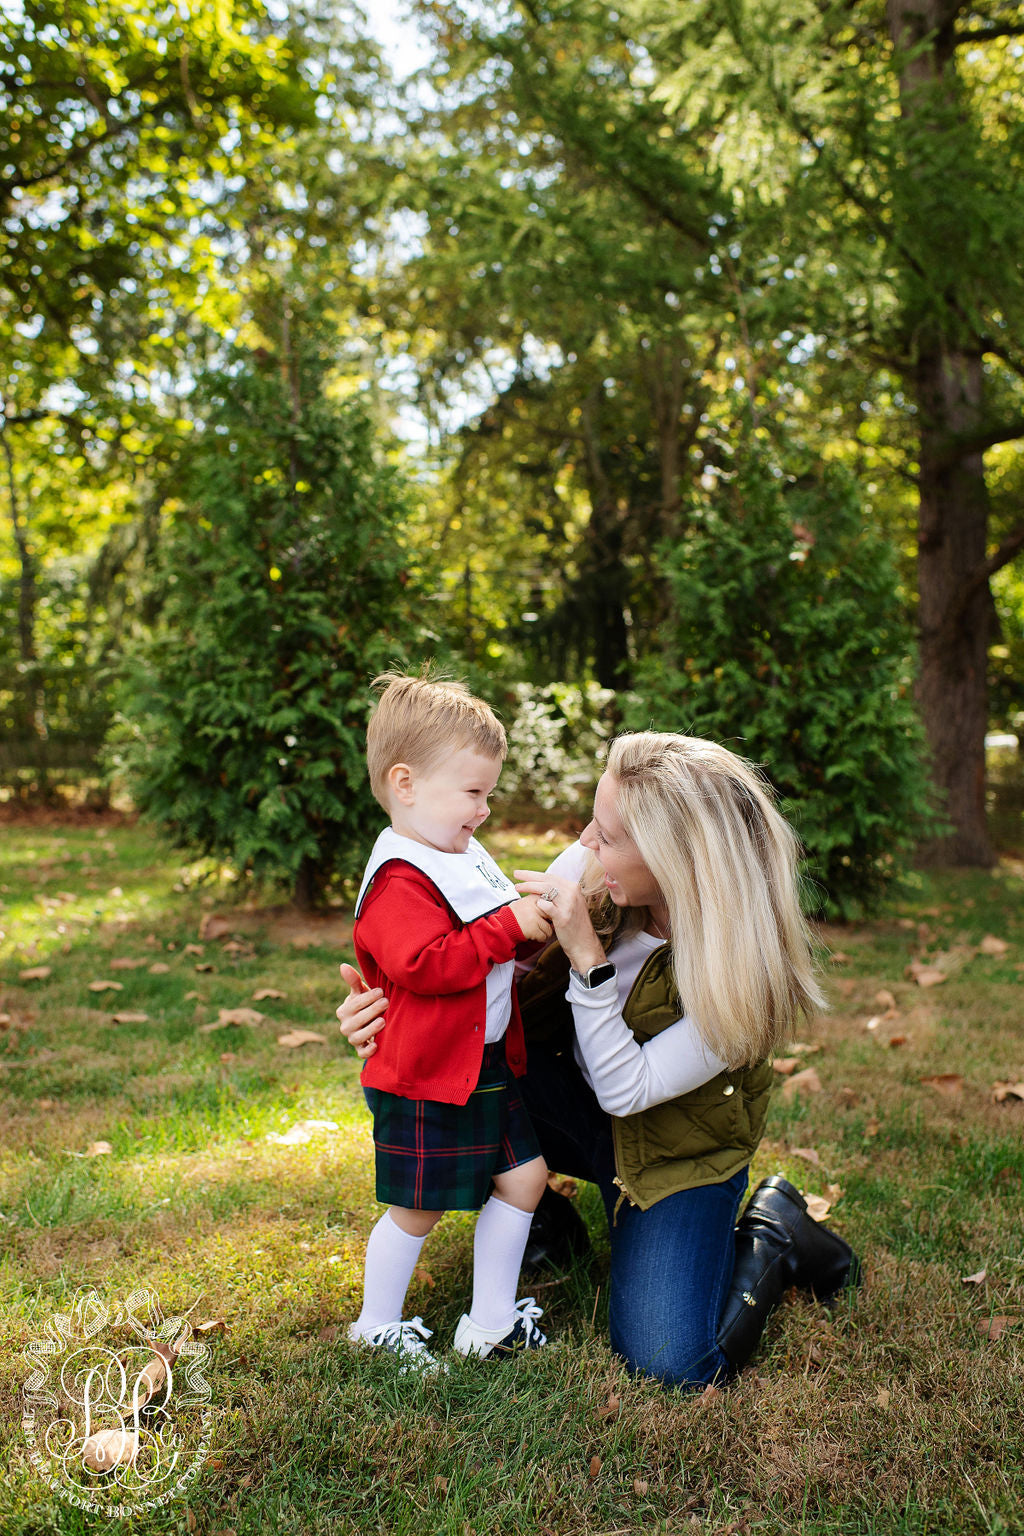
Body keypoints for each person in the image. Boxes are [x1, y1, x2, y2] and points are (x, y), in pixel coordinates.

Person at [340, 729, 860, 1389]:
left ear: (675, 857)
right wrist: (385, 1014)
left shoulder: (745, 975)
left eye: (607, 835)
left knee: (671, 1363)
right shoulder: (589, 869)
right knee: (460, 1090)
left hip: (672, 1149)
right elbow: (482, 976)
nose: (585, 841)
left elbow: (626, 1091)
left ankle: (775, 1232)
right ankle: (538, 1213)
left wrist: (588, 959)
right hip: (565, 1101)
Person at [345, 672, 553, 1373]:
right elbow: (425, 963)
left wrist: (532, 924)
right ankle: (376, 1324)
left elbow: (492, 938)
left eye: (488, 793)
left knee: (525, 1179)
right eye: (473, 793)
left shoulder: (457, 852)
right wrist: (508, 927)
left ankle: (491, 1321)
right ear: (405, 784)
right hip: (426, 1073)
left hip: (481, 1063)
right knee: (418, 1207)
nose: (485, 810)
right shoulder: (399, 877)